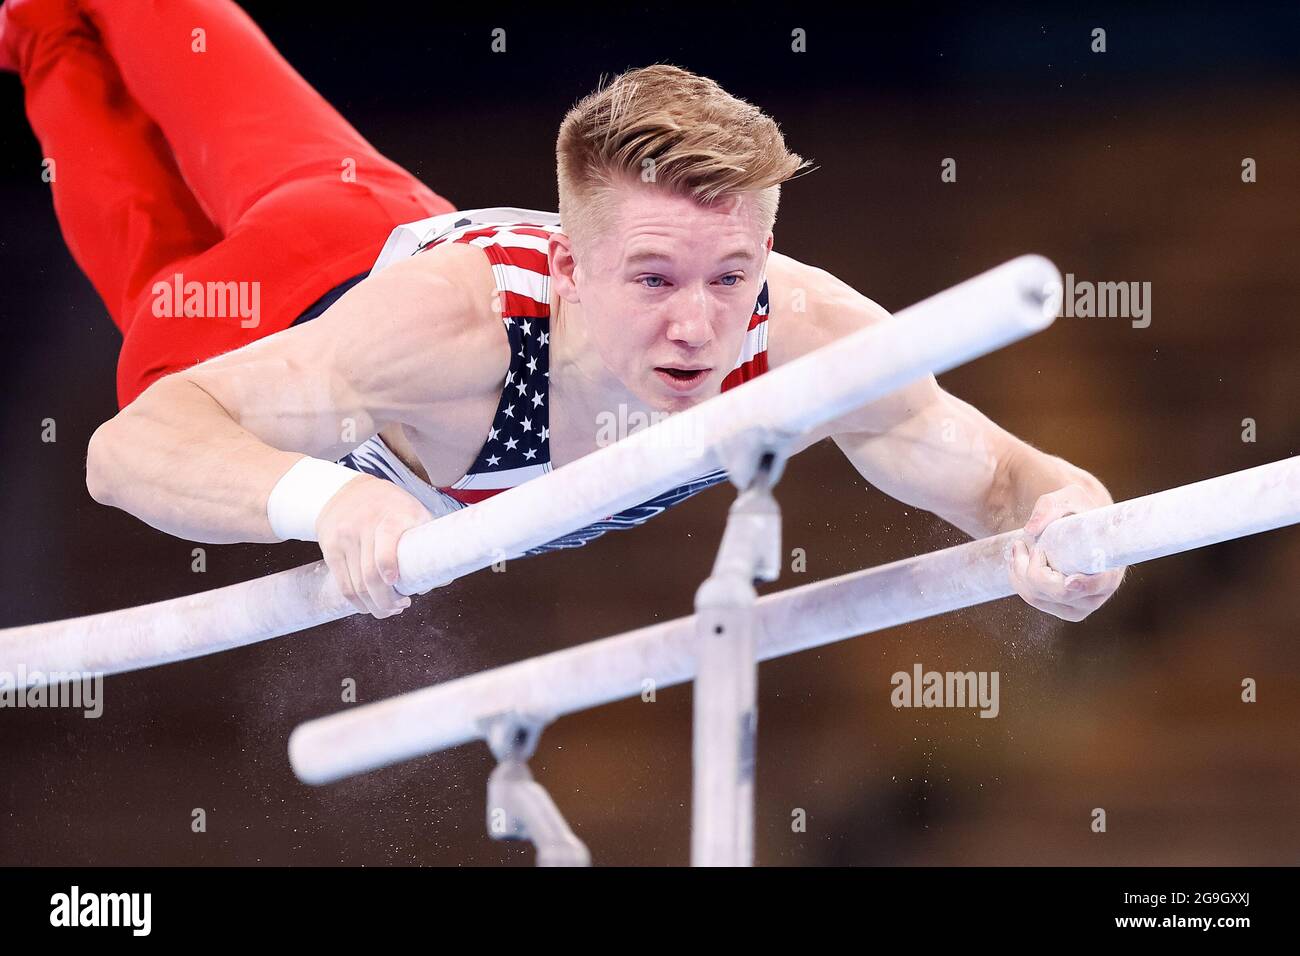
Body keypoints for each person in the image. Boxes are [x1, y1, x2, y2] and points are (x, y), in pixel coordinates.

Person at [2, 0, 1125, 621]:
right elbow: (126, 452)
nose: (698, 323)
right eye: (651, 278)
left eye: (730, 275)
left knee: (66, 56)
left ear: (767, 251)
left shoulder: (803, 333)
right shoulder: (456, 338)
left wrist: (1064, 526)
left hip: (377, 213)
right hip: (280, 311)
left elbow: (993, 476)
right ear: (571, 266)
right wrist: (328, 501)